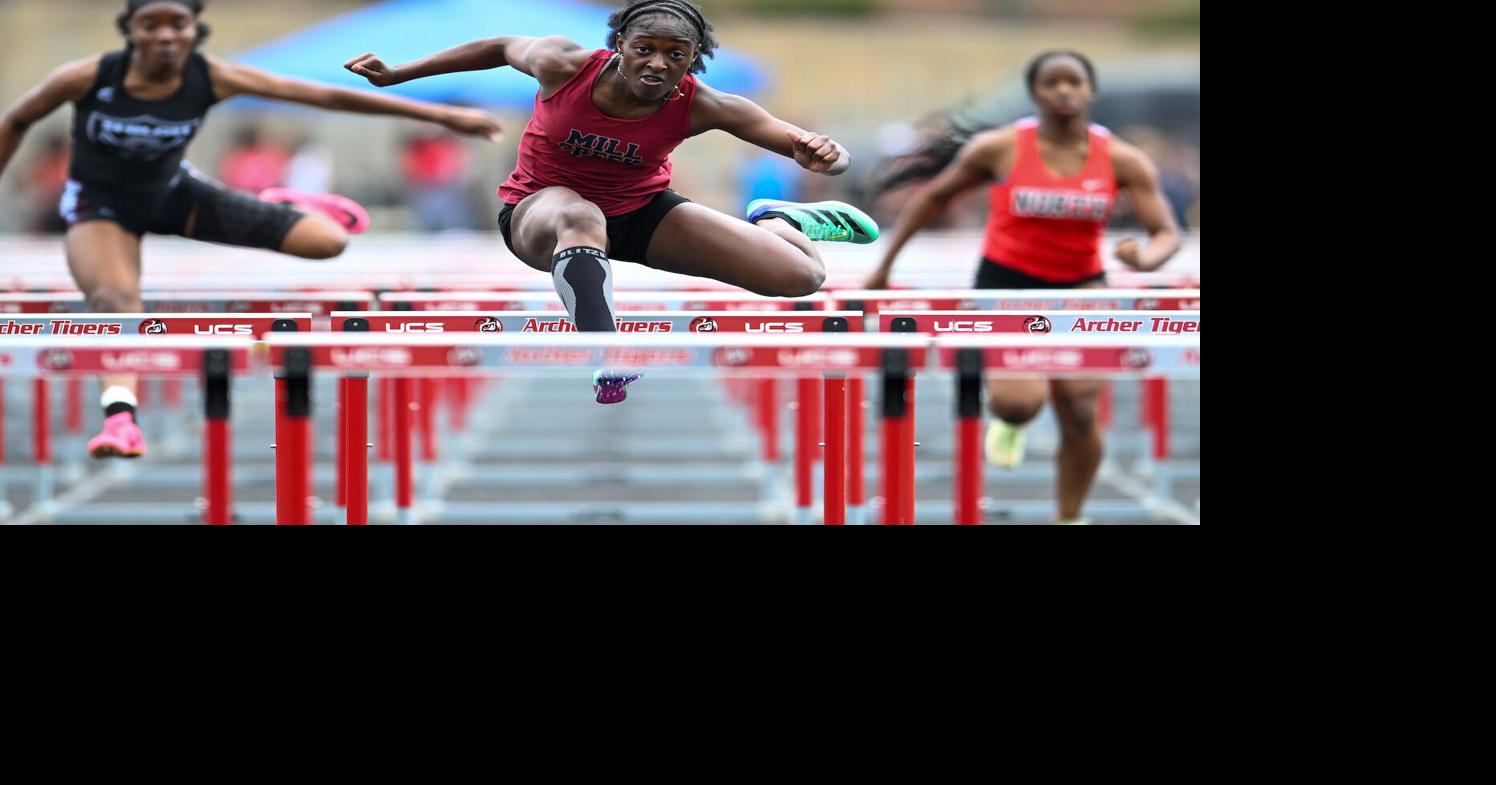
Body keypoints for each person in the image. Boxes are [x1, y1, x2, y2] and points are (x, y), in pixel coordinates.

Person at [0, 0, 502, 458]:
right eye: (150, 24)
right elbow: (17, 119)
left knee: (328, 242)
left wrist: (438, 114)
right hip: (100, 208)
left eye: (178, 23)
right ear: (130, 30)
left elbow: (324, 97)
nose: (165, 35)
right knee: (114, 299)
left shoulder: (210, 77)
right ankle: (121, 420)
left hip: (176, 196)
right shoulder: (87, 76)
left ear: (195, 30)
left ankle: (278, 202)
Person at [345, 0, 880, 404]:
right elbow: (499, 45)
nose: (657, 63)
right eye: (643, 47)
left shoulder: (706, 105)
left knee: (801, 278)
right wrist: (400, 75)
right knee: (581, 214)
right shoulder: (563, 63)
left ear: (695, 60)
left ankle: (778, 221)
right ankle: (608, 354)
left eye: (676, 55)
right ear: (619, 43)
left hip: (641, 213)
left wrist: (826, 158)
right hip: (543, 212)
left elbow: (815, 153)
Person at [864, 50, 1183, 524]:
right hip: (1004, 285)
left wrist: (1146, 258)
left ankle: (1070, 516)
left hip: (1082, 287)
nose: (1063, 92)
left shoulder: (1120, 158)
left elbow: (1167, 232)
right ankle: (1011, 422)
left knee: (1078, 411)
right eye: (1051, 83)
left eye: (1073, 82)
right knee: (1018, 403)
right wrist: (883, 268)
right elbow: (932, 198)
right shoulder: (1002, 147)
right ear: (1035, 93)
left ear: (1089, 91)